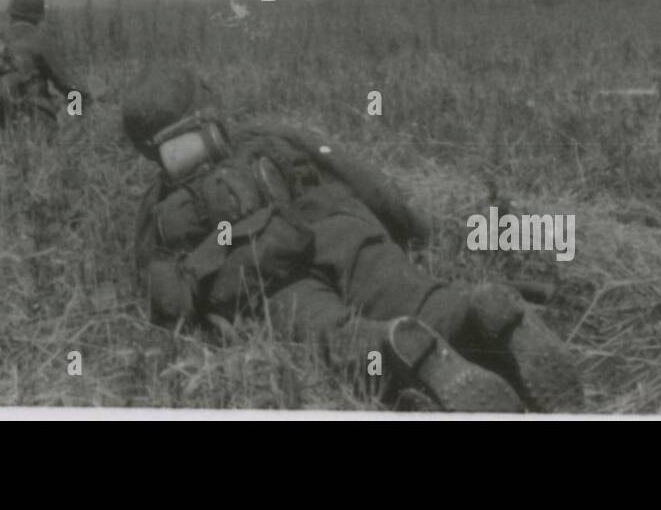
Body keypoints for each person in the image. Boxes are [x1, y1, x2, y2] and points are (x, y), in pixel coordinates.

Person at [121, 64, 583, 412]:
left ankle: (394, 346)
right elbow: (368, 183)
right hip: (342, 232)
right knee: (417, 297)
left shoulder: (159, 208)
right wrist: (417, 231)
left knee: (331, 337)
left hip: (267, 274)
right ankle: (475, 317)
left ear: (146, 147)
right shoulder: (270, 135)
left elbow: (164, 295)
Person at [0, 0, 90, 128]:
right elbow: (70, 85)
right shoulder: (40, 40)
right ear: (38, 16)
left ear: (11, 13)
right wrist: (77, 113)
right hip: (34, 122)